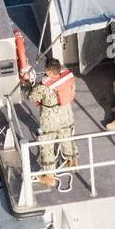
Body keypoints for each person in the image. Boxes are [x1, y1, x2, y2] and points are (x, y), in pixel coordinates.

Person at [23, 57, 77, 188]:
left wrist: (27, 83)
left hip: (50, 121)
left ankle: (49, 176)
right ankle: (73, 161)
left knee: (46, 144)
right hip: (66, 115)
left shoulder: (44, 87)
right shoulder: (68, 79)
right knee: (67, 137)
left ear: (48, 71)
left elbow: (30, 96)